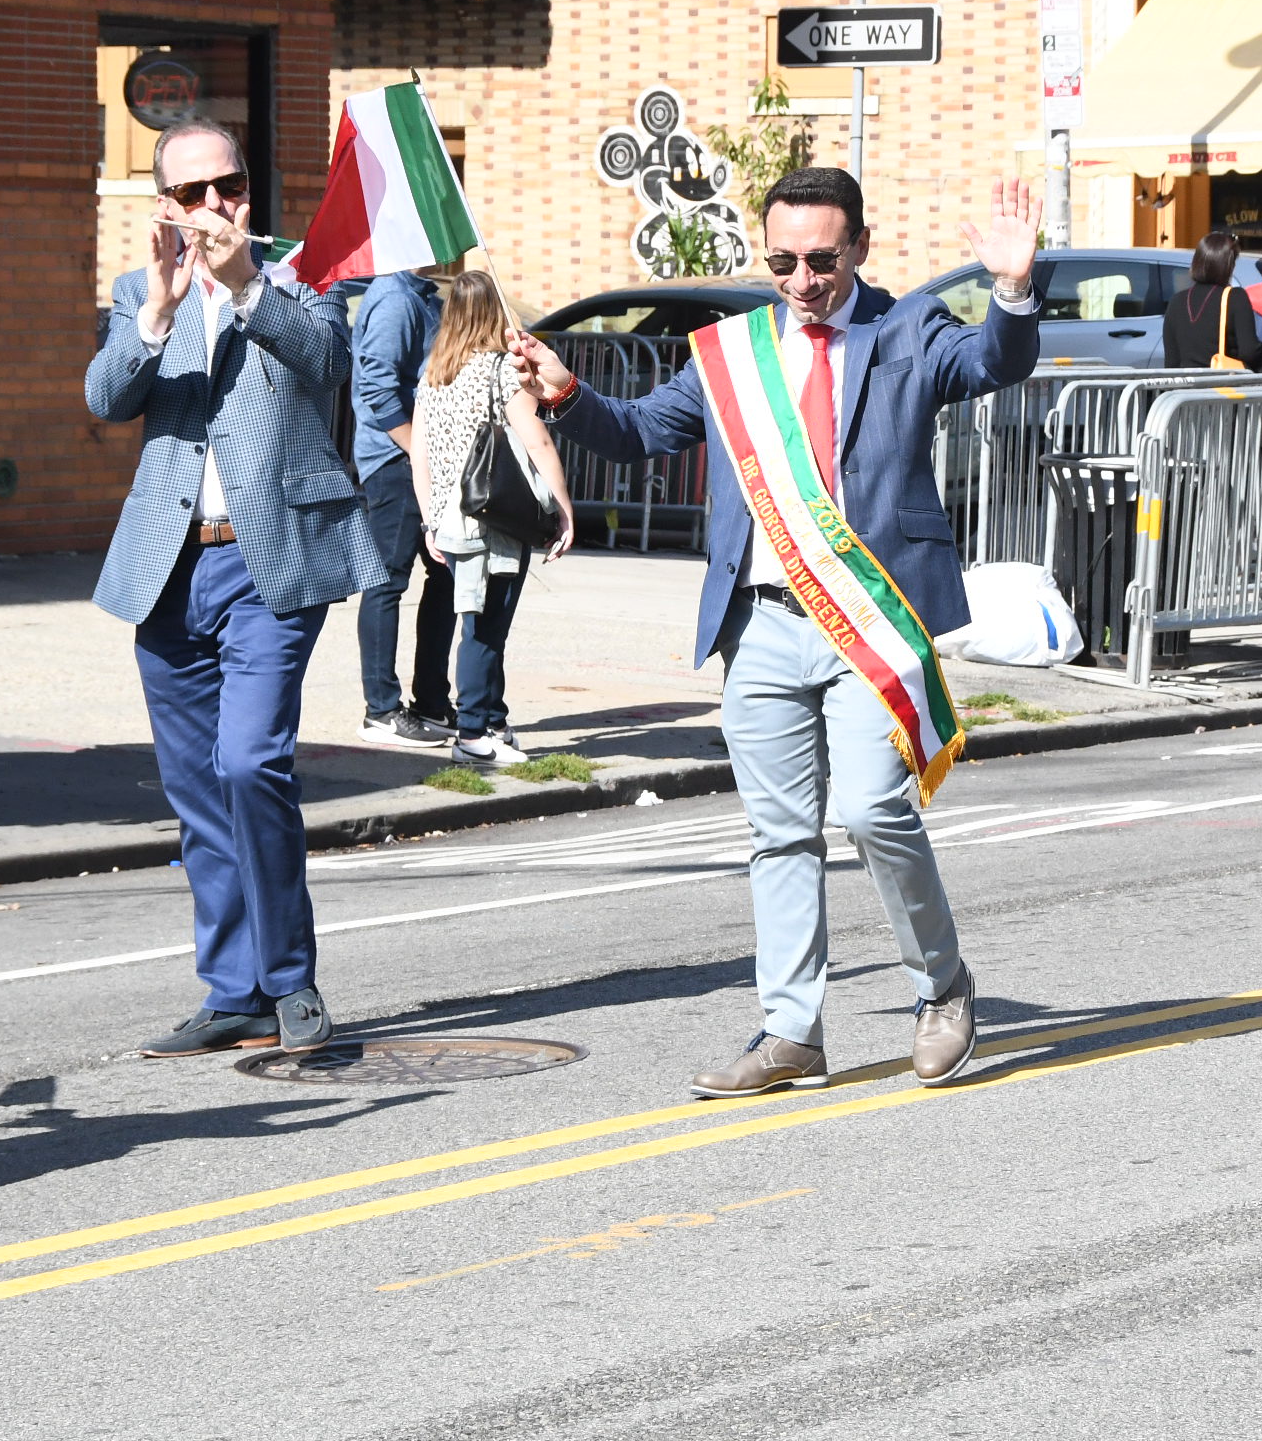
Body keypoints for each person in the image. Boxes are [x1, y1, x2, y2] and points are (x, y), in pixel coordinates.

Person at [511, 166, 1043, 1097]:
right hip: (759, 622)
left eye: (822, 259)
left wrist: (1010, 291)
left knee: (876, 808)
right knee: (778, 833)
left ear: (861, 249)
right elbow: (638, 433)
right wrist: (565, 395)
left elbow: (994, 363)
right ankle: (791, 1030)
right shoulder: (733, 351)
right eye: (784, 260)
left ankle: (942, 986)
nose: (802, 279)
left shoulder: (907, 329)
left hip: (868, 622)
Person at [85, 117, 386, 1060]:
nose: (215, 206)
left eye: (231, 186)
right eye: (193, 193)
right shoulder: (143, 290)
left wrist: (245, 284)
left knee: (251, 763)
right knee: (196, 787)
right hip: (170, 565)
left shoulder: (300, 275)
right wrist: (160, 315)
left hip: (274, 560)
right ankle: (234, 991)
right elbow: (104, 398)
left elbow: (330, 366)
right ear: (163, 206)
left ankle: (291, 980)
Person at [410, 271, 575, 768]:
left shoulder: (433, 373)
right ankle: (473, 732)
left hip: (448, 518)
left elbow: (419, 454)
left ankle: (493, 719)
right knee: (484, 627)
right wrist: (564, 510)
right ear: (493, 314)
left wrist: (429, 521)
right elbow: (536, 440)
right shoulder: (503, 370)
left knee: (483, 623)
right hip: (492, 516)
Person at [350, 263, 459, 749]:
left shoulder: (421, 295)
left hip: (421, 460)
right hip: (396, 461)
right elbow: (377, 385)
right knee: (388, 582)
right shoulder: (395, 298)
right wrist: (417, 450)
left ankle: (432, 702)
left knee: (446, 576)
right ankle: (381, 712)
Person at [1162, 231, 1262, 372]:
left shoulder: (1176, 301)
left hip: (1186, 391)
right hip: (1223, 388)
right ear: (1228, 266)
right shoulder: (1235, 297)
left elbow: (1171, 362)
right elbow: (1249, 351)